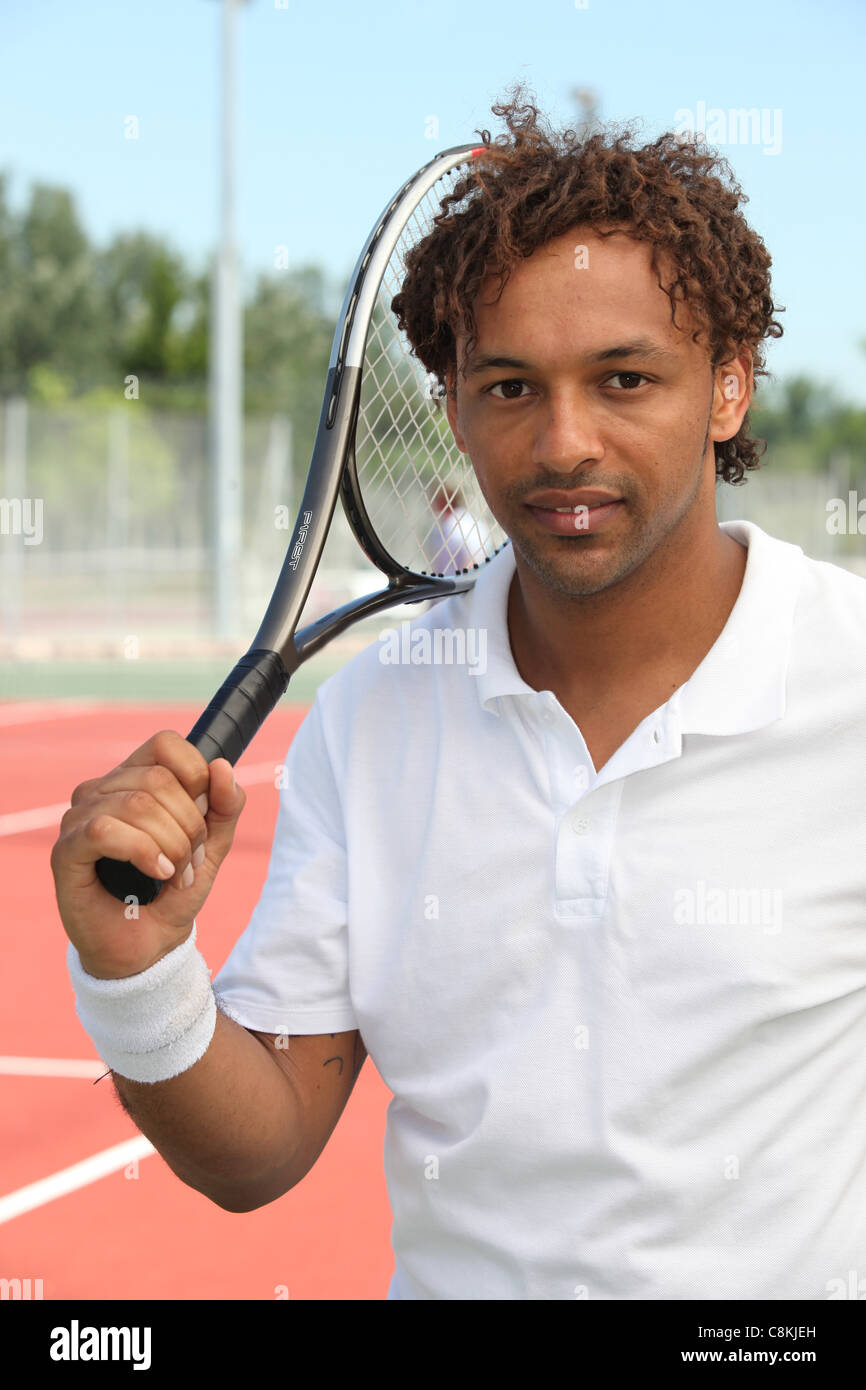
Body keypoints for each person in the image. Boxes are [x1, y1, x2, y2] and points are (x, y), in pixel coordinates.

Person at [52, 92, 866, 1301]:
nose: (562, 444)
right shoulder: (369, 719)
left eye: (625, 379)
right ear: (451, 407)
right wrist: (137, 973)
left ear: (729, 389)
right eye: (508, 388)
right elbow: (257, 1151)